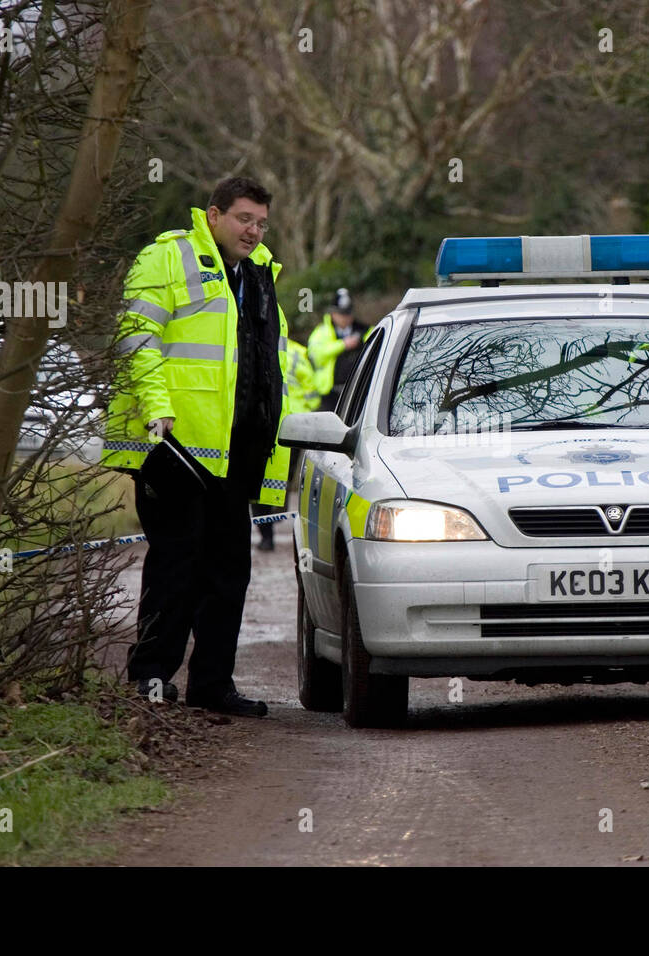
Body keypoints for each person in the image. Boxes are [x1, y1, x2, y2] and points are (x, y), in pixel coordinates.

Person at [101, 175, 293, 718]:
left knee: (229, 574)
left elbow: (269, 366)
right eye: (243, 219)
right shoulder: (168, 258)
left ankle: (213, 684)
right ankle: (151, 680)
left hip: (236, 453)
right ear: (213, 215)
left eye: (260, 222)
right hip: (176, 448)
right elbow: (137, 338)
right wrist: (159, 413)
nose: (254, 231)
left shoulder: (259, 275)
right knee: (175, 570)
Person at [254, 340, 318, 552]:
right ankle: (278, 514)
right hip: (294, 427)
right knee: (285, 480)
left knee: (260, 482)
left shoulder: (253, 342)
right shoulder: (299, 352)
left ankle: (267, 534)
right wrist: (307, 411)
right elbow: (312, 391)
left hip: (263, 424)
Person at [307, 288, 371, 410]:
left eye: (348, 313)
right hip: (329, 395)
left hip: (359, 392)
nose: (345, 318)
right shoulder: (321, 332)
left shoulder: (364, 330)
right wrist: (343, 345)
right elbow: (315, 355)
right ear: (332, 313)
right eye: (341, 314)